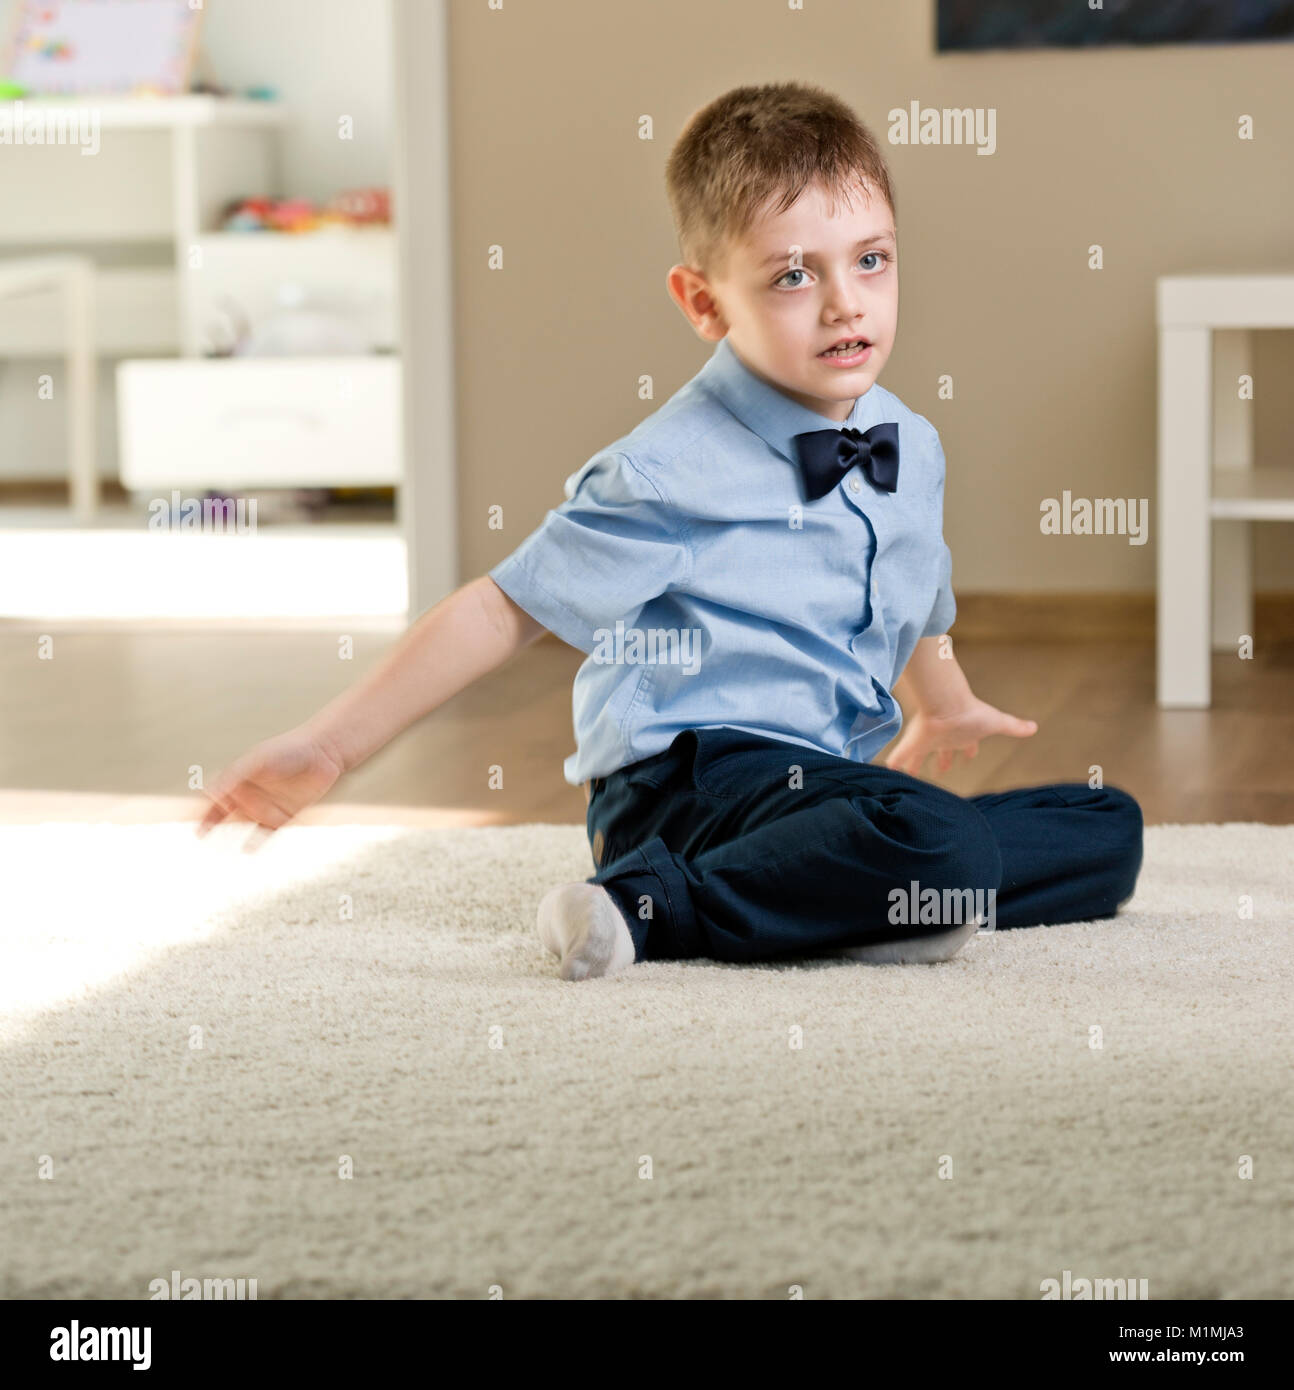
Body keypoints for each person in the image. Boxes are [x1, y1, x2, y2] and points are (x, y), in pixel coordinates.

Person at [199, 82, 1143, 982]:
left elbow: (916, 582)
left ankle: (861, 896)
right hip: (687, 786)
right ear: (704, 303)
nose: (845, 301)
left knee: (1107, 826)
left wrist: (939, 698)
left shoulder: (912, 441)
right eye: (790, 276)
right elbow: (502, 611)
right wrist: (328, 748)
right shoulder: (667, 468)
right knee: (941, 849)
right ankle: (650, 905)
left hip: (818, 783)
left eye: (870, 259)